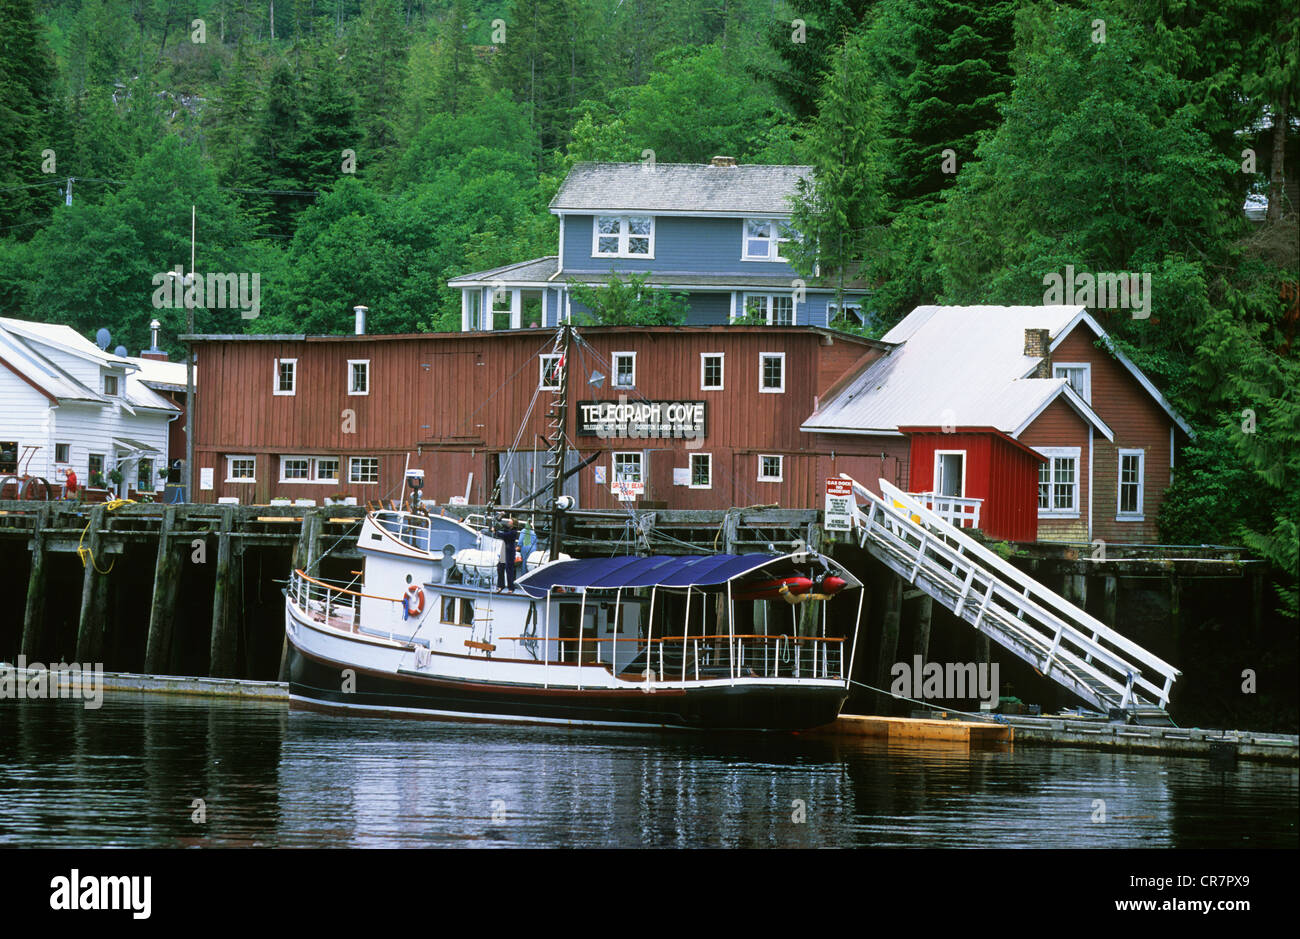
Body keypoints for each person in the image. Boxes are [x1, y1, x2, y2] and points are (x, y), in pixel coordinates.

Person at [494, 517, 520, 592]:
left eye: (510, 521)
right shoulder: (508, 529)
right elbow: (503, 529)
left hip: (510, 551)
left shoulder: (513, 532)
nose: (508, 522)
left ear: (513, 524)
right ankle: (500, 585)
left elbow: (504, 535)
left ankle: (511, 588)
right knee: (500, 567)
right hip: (504, 550)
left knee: (509, 569)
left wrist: (495, 532)